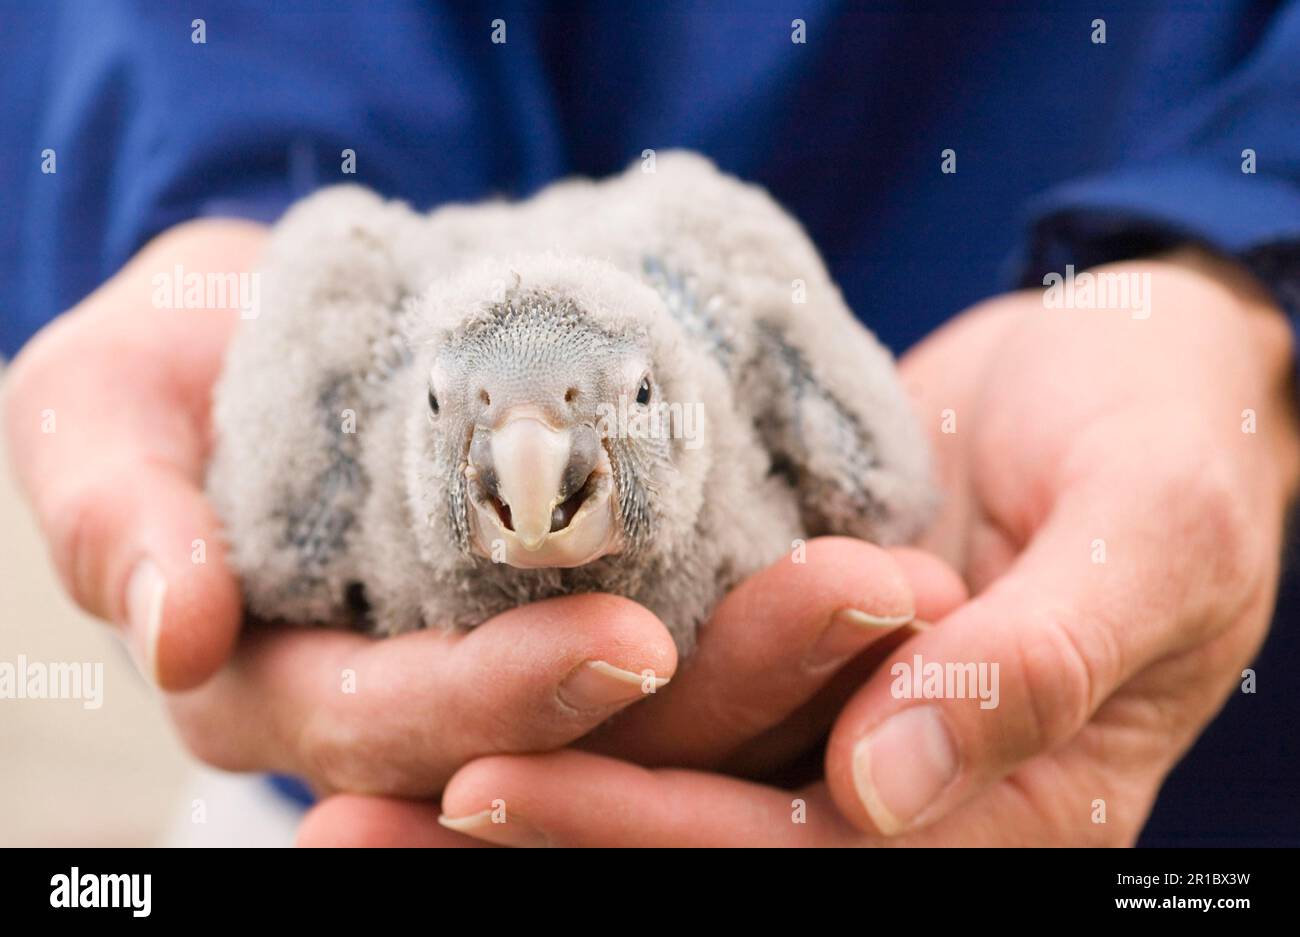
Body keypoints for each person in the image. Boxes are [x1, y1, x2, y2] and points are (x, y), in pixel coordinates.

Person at [3, 2, 1299, 846]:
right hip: (363, 808)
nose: (531, 459)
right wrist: (221, 191)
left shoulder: (715, 273)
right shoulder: (350, 347)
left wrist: (1239, 265)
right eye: (474, 418)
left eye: (607, 409)